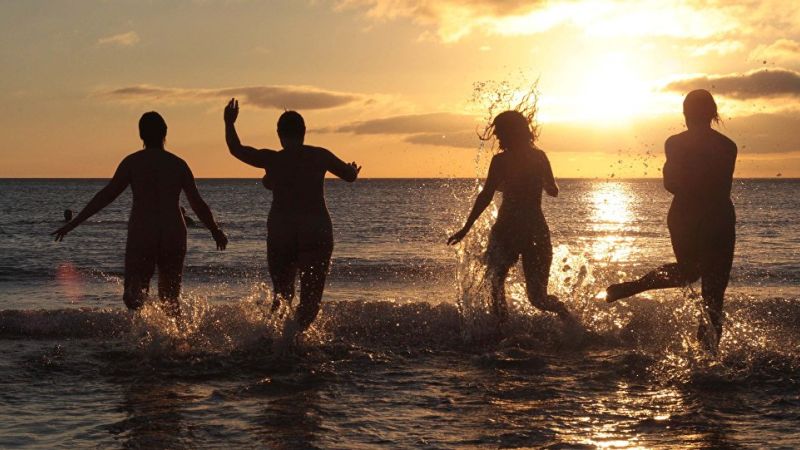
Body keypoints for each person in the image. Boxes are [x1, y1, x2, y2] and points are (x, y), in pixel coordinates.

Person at [52, 111, 228, 315]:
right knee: (170, 298)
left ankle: (145, 337)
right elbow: (197, 203)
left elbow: (106, 196)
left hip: (143, 233)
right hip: (173, 232)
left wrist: (73, 223)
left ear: (141, 135)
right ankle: (173, 341)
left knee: (133, 296)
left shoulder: (133, 163)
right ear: (165, 133)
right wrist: (214, 230)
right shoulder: (178, 164)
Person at [604, 89, 736, 353]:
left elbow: (671, 184)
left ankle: (638, 285)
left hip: (684, 214)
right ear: (713, 113)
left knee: (688, 271)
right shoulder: (727, 145)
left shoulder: (674, 143)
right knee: (714, 296)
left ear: (685, 114)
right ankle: (709, 358)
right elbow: (720, 187)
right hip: (717, 217)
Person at [223, 99, 360, 345]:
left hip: (282, 233)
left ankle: (274, 344)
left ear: (279, 134)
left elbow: (236, 149)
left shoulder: (274, 160)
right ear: (304, 132)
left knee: (282, 297)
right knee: (309, 303)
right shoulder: (319, 155)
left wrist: (229, 122)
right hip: (315, 232)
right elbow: (348, 176)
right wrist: (353, 170)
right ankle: (292, 340)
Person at [448, 110, 574, 325]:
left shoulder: (501, 161)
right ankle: (571, 323)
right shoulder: (539, 156)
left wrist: (466, 228)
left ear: (511, 132)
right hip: (534, 230)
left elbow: (486, 195)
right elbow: (553, 190)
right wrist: (543, 183)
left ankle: (502, 331)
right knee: (537, 298)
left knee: (496, 285)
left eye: (500, 132)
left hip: (508, 229)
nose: (497, 136)